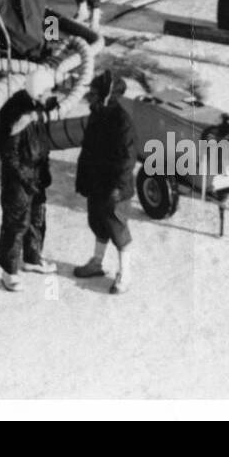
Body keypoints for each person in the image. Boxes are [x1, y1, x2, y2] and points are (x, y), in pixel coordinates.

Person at [72, 70, 139, 294]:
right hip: (97, 182)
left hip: (114, 188)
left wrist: (118, 188)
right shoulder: (97, 114)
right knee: (98, 223)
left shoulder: (122, 121)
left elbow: (127, 158)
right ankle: (97, 263)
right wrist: (83, 178)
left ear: (107, 95)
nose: (90, 96)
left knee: (118, 228)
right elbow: (88, 149)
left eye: (94, 92)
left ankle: (126, 274)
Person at [0, 67, 58, 291]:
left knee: (37, 219)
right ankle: (9, 271)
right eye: (47, 91)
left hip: (37, 172)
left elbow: (42, 140)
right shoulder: (14, 111)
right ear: (38, 91)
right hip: (18, 178)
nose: (51, 94)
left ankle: (33, 258)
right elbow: (8, 152)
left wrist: (44, 169)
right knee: (16, 222)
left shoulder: (36, 106)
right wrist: (22, 178)